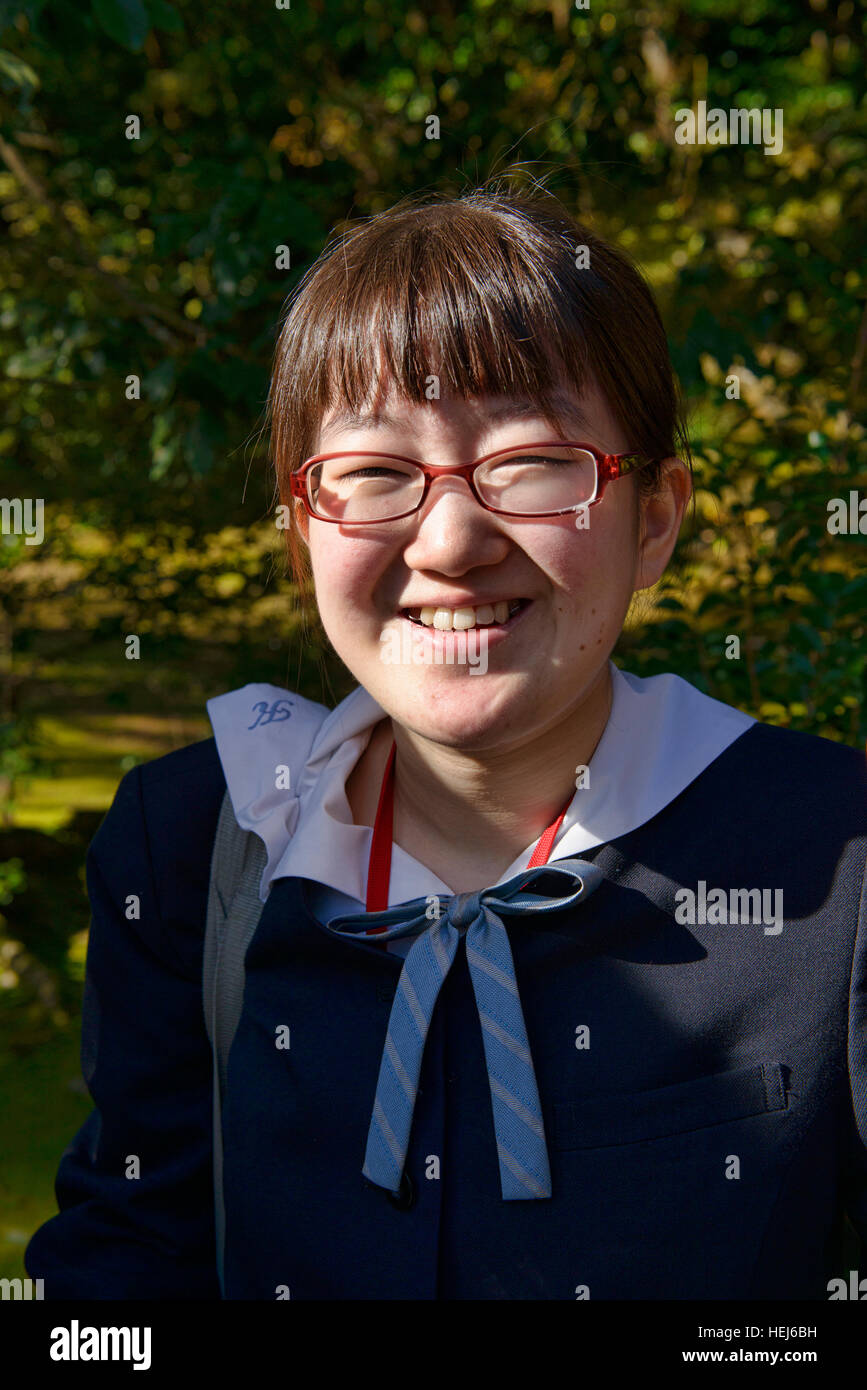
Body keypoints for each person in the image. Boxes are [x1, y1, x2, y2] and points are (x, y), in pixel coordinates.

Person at [25, 186, 867, 1300]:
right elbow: (129, 1262)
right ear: (301, 532)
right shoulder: (195, 848)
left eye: (530, 463)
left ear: (655, 518)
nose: (454, 539)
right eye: (374, 474)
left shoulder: (839, 866)